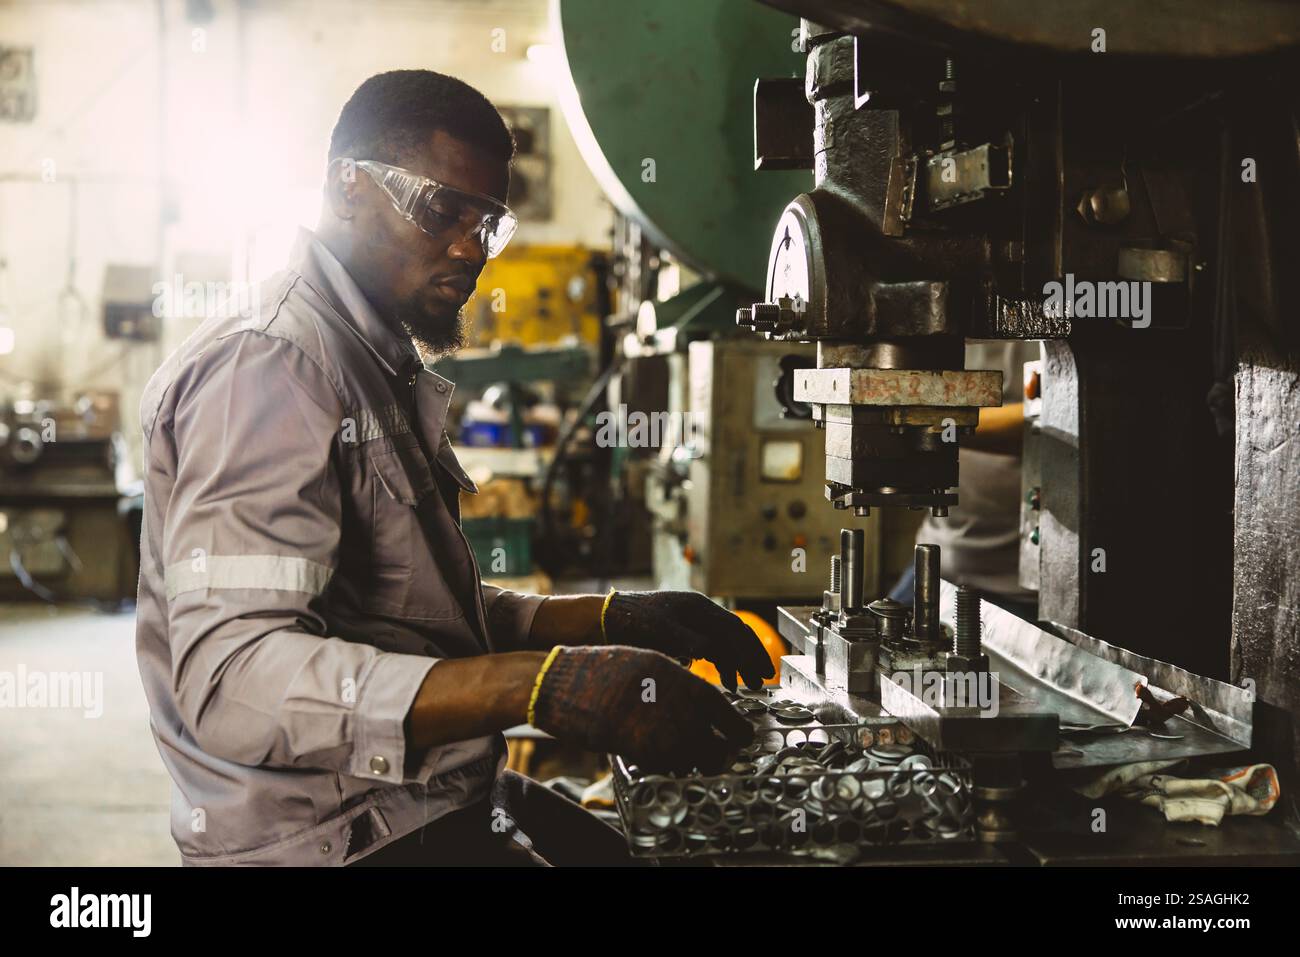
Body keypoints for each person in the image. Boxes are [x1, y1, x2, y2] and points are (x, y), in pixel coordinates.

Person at [134, 70, 768, 867]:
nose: (472, 248)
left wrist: (608, 619)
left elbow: (404, 612)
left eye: (488, 223)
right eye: (441, 210)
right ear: (348, 187)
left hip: (424, 794)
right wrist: (538, 687)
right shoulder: (274, 366)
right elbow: (234, 679)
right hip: (334, 839)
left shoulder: (367, 356)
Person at [888, 340, 1040, 621]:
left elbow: (1055, 420)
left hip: (1019, 587)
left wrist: (927, 419)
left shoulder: (1053, 323)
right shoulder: (947, 321)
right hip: (936, 563)